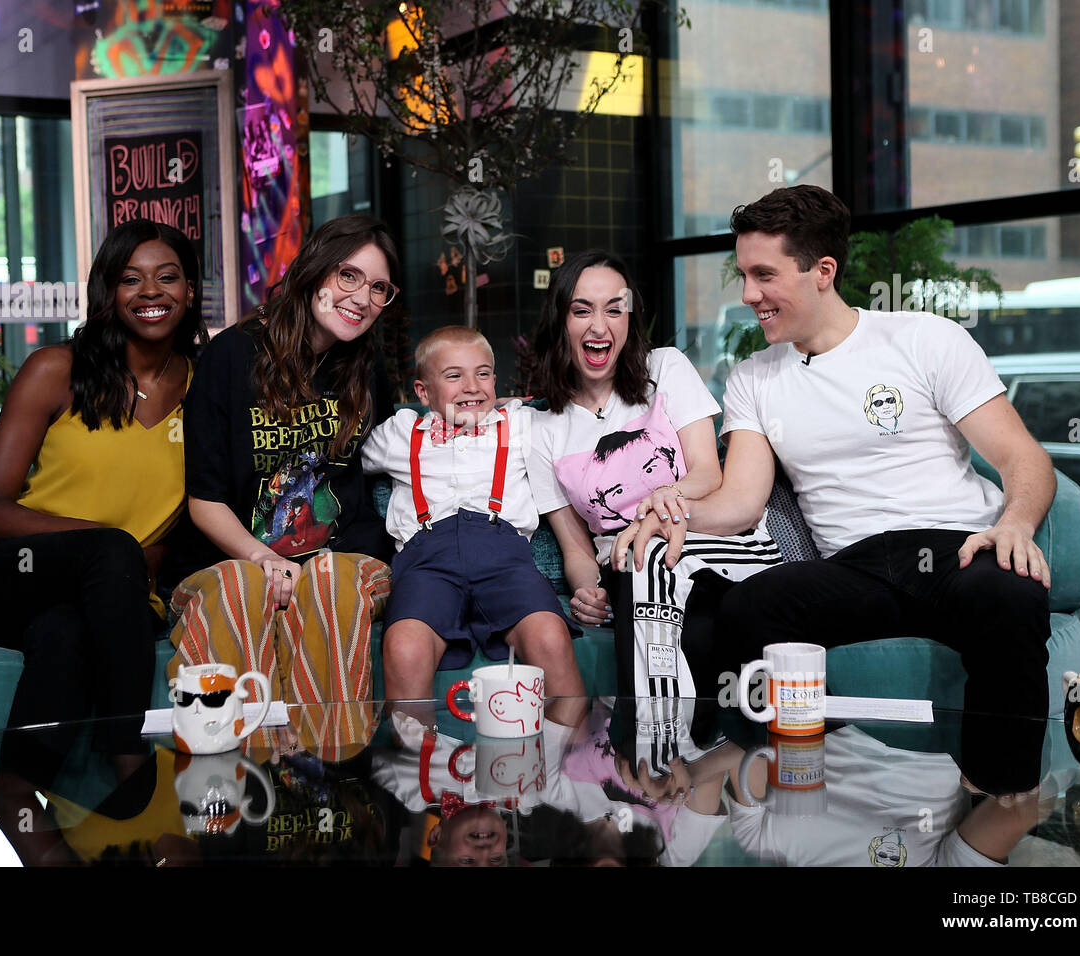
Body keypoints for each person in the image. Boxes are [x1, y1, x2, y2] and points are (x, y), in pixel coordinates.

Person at [617, 185, 1055, 794]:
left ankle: (997, 807)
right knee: (742, 608)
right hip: (853, 567)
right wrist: (677, 512)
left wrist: (1015, 524)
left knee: (1011, 595)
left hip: (956, 550)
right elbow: (742, 501)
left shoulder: (924, 338)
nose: (749, 296)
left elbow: (1022, 457)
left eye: (764, 275)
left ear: (823, 271)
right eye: (743, 276)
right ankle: (780, 787)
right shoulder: (754, 378)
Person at [0, 217, 207, 785]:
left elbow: (207, 501)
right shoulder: (57, 370)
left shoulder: (205, 388)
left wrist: (147, 555)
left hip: (107, 598)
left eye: (167, 277)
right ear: (108, 292)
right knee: (111, 551)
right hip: (7, 574)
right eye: (129, 279)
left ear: (190, 291)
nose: (149, 292)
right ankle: (130, 758)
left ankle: (18, 800)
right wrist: (102, 547)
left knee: (63, 637)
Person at [525, 250, 782, 769]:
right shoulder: (540, 429)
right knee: (644, 569)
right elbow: (576, 545)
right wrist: (583, 589)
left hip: (715, 542)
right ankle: (697, 768)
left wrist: (664, 507)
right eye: (582, 310)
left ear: (629, 319)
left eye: (614, 309)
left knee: (655, 557)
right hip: (631, 569)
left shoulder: (664, 368)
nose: (600, 325)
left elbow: (709, 473)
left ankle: (660, 755)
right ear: (561, 320)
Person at [167, 214, 399, 756]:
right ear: (314, 271)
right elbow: (204, 498)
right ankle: (238, 779)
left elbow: (401, 449)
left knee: (328, 583)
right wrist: (261, 558)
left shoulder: (366, 368)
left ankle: (334, 774)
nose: (362, 298)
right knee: (241, 586)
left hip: (341, 558)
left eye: (378, 288)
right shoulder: (230, 356)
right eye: (349, 276)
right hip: (234, 555)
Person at [360, 326, 585, 717]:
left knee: (550, 636)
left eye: (482, 374)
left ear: (496, 382)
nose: (472, 385)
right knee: (404, 646)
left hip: (506, 562)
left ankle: (572, 767)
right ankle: (416, 769)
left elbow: (574, 412)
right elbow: (341, 454)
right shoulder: (400, 434)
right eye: (453, 376)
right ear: (423, 392)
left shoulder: (519, 425)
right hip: (425, 567)